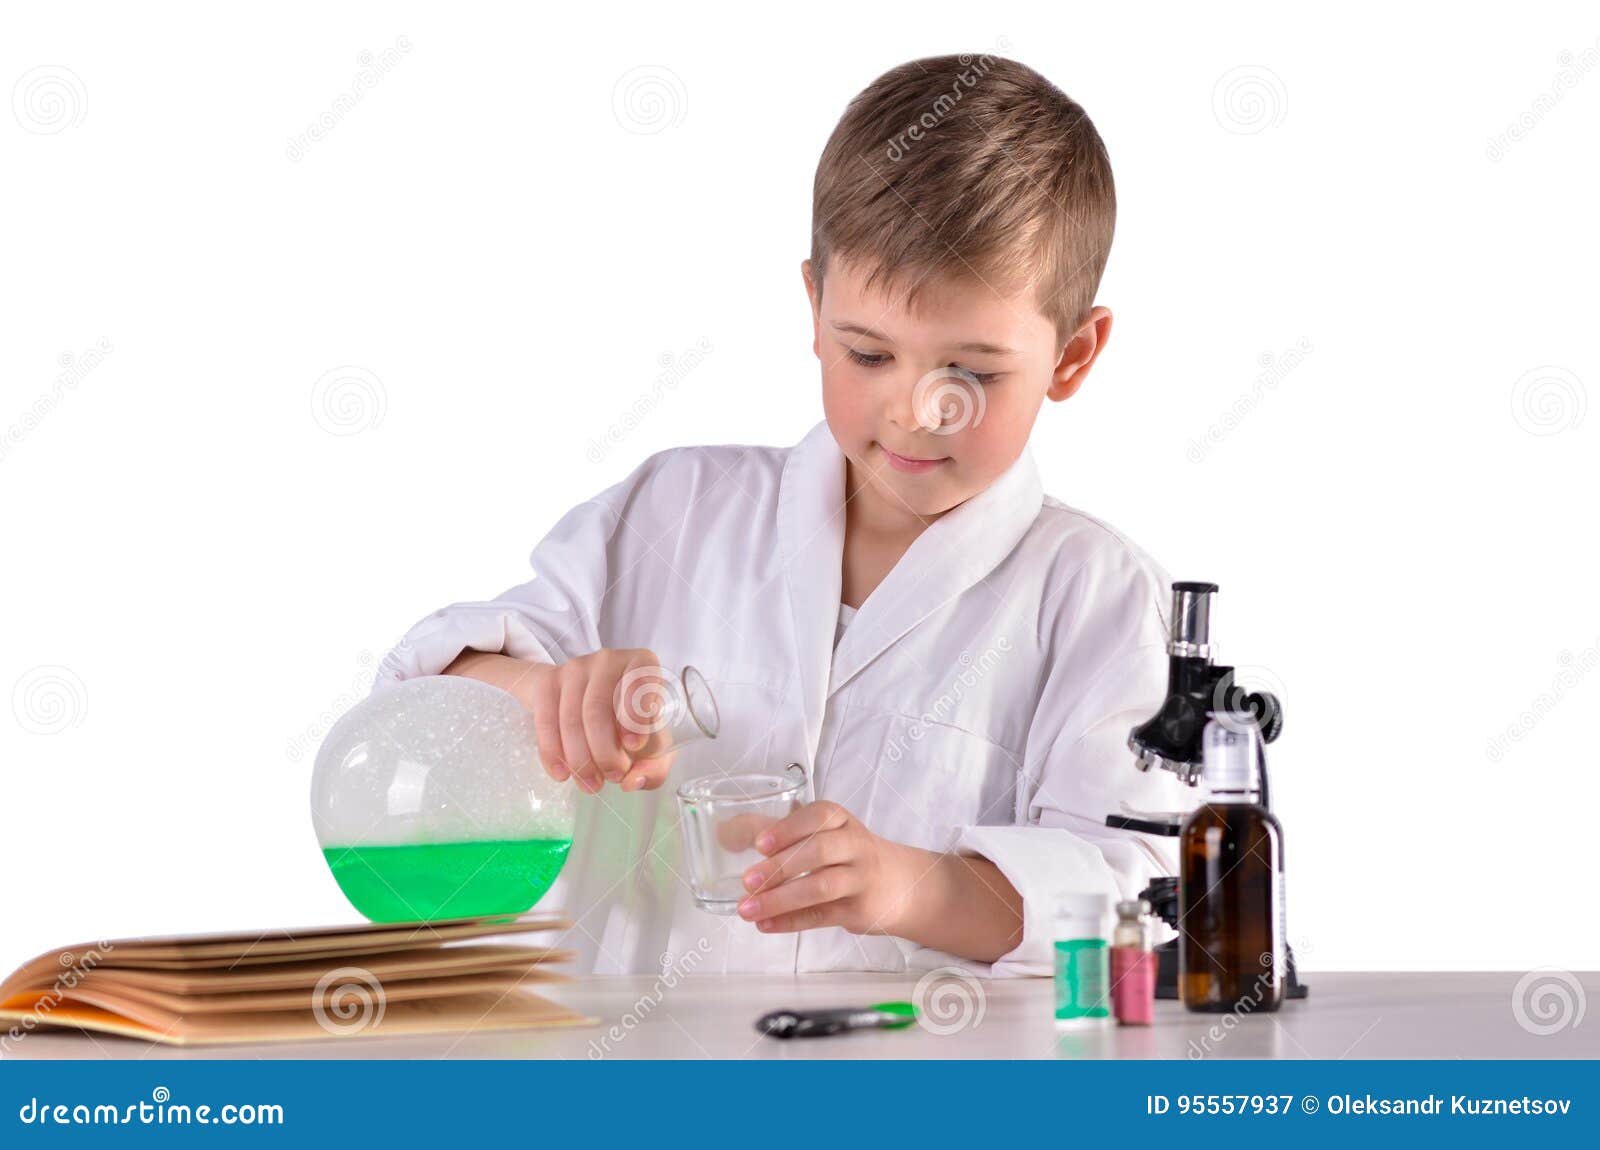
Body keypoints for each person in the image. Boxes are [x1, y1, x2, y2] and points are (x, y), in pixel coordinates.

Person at [375, 54, 1197, 977]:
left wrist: (914, 888)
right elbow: (417, 707)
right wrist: (544, 698)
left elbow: (1135, 897)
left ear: (1074, 356)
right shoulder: (671, 512)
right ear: (814, 309)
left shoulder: (1096, 599)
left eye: (973, 370)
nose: (919, 410)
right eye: (869, 353)